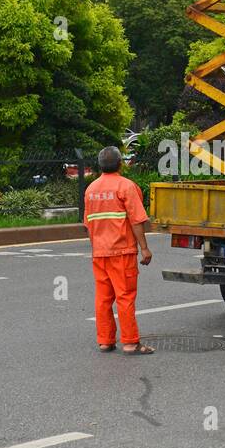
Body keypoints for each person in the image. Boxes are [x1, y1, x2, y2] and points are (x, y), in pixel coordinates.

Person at [85, 146, 154, 355]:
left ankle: (105, 341)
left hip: (99, 252)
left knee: (103, 298)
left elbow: (89, 225)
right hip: (122, 252)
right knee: (125, 297)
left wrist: (96, 247)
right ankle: (131, 342)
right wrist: (144, 248)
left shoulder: (91, 190)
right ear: (120, 164)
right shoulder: (126, 186)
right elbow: (136, 220)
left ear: (100, 166)